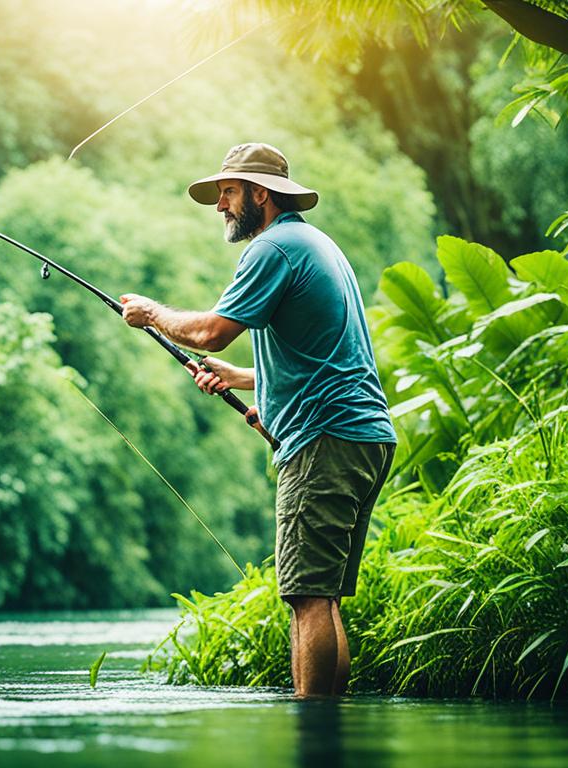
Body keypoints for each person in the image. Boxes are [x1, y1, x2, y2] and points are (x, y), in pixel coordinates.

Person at [119, 143, 397, 698]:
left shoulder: (271, 248)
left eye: (228, 192)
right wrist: (247, 380)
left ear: (260, 194)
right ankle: (327, 728)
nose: (220, 205)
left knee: (307, 598)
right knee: (322, 598)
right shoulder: (315, 244)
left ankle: (311, 726)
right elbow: (321, 354)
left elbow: (210, 332)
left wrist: (152, 314)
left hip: (325, 439)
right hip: (362, 436)